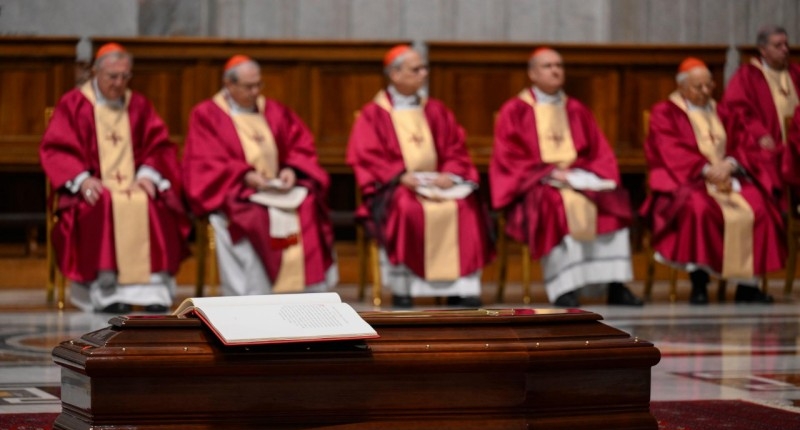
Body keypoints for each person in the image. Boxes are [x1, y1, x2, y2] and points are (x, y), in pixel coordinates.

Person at [40, 42, 190, 314]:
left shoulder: (139, 105)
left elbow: (160, 146)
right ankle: (106, 292)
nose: (119, 83)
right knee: (102, 204)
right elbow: (56, 148)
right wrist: (82, 179)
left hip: (134, 184)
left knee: (155, 205)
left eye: (125, 77)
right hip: (93, 186)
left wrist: (148, 174)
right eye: (112, 76)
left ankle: (152, 291)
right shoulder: (74, 103)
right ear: (96, 72)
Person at [489, 47, 642, 307]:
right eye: (548, 66)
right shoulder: (514, 110)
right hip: (537, 184)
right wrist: (549, 172)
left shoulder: (576, 109)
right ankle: (564, 287)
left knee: (612, 201)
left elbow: (600, 151)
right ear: (532, 74)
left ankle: (615, 284)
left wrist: (587, 173)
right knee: (556, 204)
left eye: (559, 65)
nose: (556, 71)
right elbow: (508, 157)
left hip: (579, 178)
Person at [346, 44, 494, 308]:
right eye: (416, 69)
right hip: (398, 186)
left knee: (465, 205)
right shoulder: (373, 114)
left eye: (424, 68)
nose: (424, 74)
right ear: (395, 74)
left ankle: (461, 289)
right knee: (407, 208)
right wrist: (399, 175)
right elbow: (367, 155)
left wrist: (450, 175)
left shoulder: (435, 110)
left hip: (438, 182)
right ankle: (405, 289)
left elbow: (455, 148)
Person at [182, 55, 337, 296]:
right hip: (238, 191)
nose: (255, 92)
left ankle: (306, 292)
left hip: (277, 188)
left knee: (309, 204)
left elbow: (300, 146)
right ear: (229, 84)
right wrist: (245, 175)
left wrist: (290, 169)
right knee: (255, 216)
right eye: (248, 87)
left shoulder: (274, 111)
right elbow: (204, 161)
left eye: (258, 85)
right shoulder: (207, 114)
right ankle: (256, 293)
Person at [642, 58, 785, 304]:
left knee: (759, 205)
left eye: (709, 85)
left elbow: (745, 143)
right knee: (699, 208)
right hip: (690, 179)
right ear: (682, 87)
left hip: (729, 176)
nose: (706, 91)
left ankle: (747, 287)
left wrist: (730, 164)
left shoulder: (724, 112)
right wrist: (706, 168)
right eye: (698, 87)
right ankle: (699, 283)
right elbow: (669, 149)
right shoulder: (665, 112)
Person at [719, 24, 800, 202]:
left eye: (786, 44)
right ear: (763, 50)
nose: (785, 50)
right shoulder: (747, 76)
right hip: (770, 145)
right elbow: (736, 110)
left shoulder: (796, 73)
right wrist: (759, 133)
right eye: (778, 46)